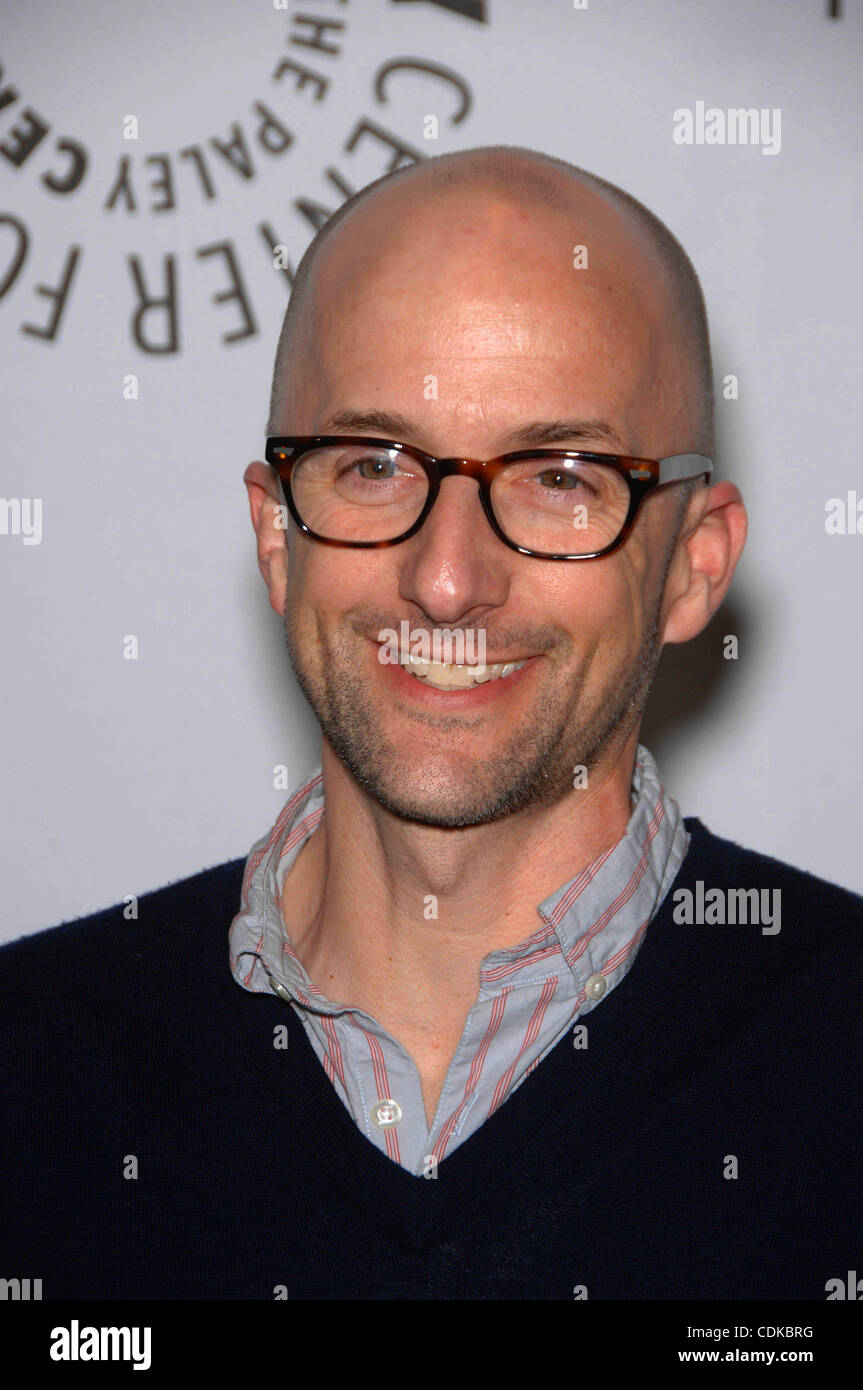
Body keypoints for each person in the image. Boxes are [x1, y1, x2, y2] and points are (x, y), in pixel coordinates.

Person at [2, 146, 861, 1302]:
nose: (447, 579)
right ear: (275, 536)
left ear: (690, 568)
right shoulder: (29, 1069)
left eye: (560, 475)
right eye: (373, 465)